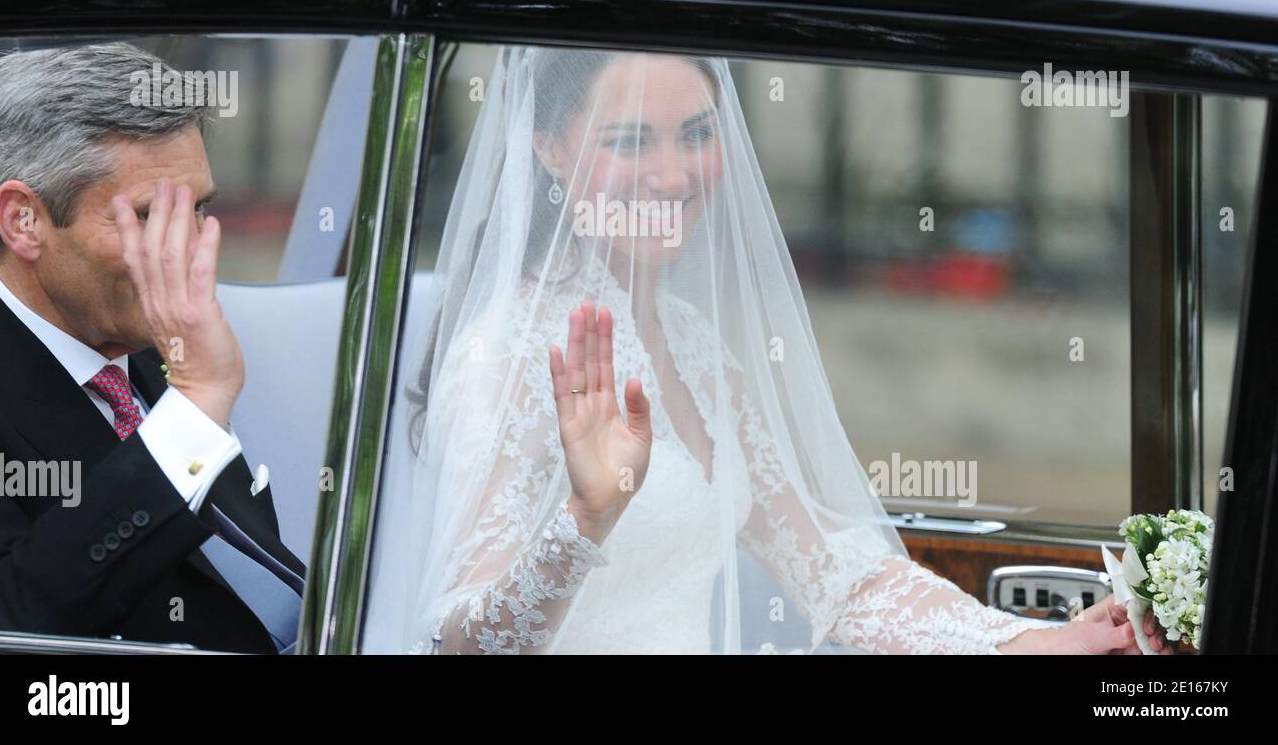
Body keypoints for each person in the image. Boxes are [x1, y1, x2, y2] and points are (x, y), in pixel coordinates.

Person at [399, 45, 1174, 655]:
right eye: (631, 141)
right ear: (550, 150)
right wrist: (582, 522)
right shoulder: (502, 358)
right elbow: (462, 646)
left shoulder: (700, 353)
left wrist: (1027, 641)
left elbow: (841, 576)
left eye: (697, 134)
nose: (674, 174)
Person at [0, 43, 303, 653]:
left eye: (202, 209)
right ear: (24, 220)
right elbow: (5, 623)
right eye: (150, 218)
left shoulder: (157, 342)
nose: (189, 247)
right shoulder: (188, 370)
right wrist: (196, 404)